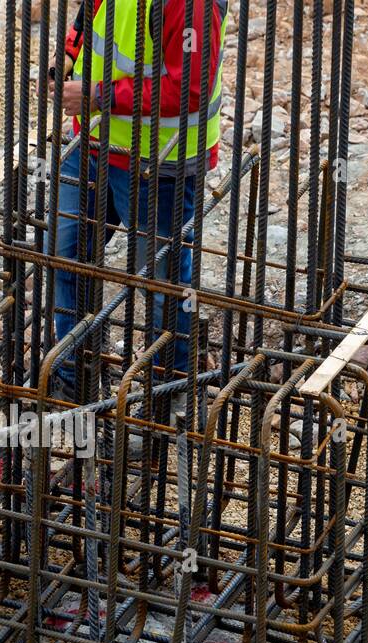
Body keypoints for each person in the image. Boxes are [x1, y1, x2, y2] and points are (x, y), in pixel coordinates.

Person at [45, 0, 227, 404]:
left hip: (159, 161)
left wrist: (95, 95)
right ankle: (76, 376)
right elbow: (87, 17)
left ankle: (173, 394)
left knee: (160, 283)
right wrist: (67, 57)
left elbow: (190, 89)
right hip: (93, 142)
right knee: (65, 253)